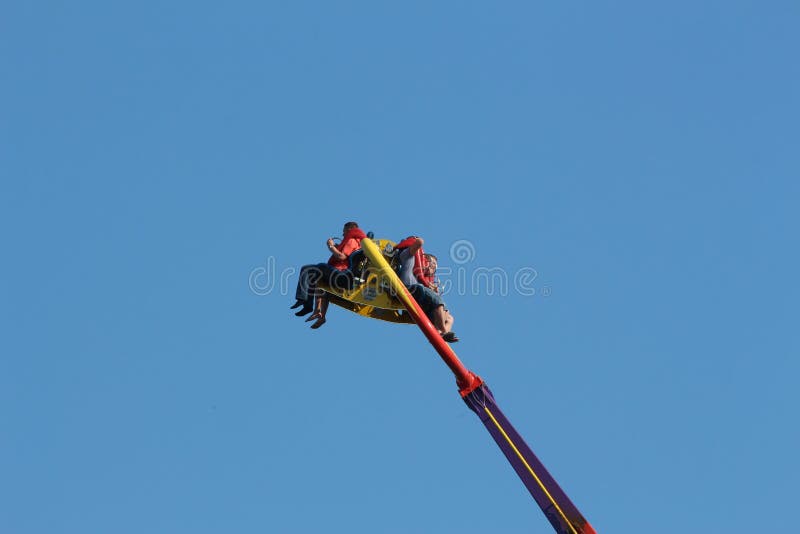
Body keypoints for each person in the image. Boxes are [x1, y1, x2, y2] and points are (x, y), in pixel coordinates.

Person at [291, 222, 366, 329]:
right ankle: (319, 313)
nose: (343, 235)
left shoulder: (352, 240)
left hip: (342, 275)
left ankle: (303, 300)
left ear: (350, 229)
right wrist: (337, 246)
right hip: (346, 277)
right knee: (320, 283)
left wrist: (330, 246)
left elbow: (341, 257)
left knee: (310, 269)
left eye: (344, 232)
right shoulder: (358, 243)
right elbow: (346, 255)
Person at [393, 237, 458, 343]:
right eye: (432, 264)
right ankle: (441, 330)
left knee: (449, 317)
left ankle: (442, 334)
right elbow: (419, 242)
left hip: (419, 299)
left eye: (435, 268)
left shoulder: (425, 281)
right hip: (409, 288)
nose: (433, 269)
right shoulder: (409, 257)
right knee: (437, 300)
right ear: (425, 260)